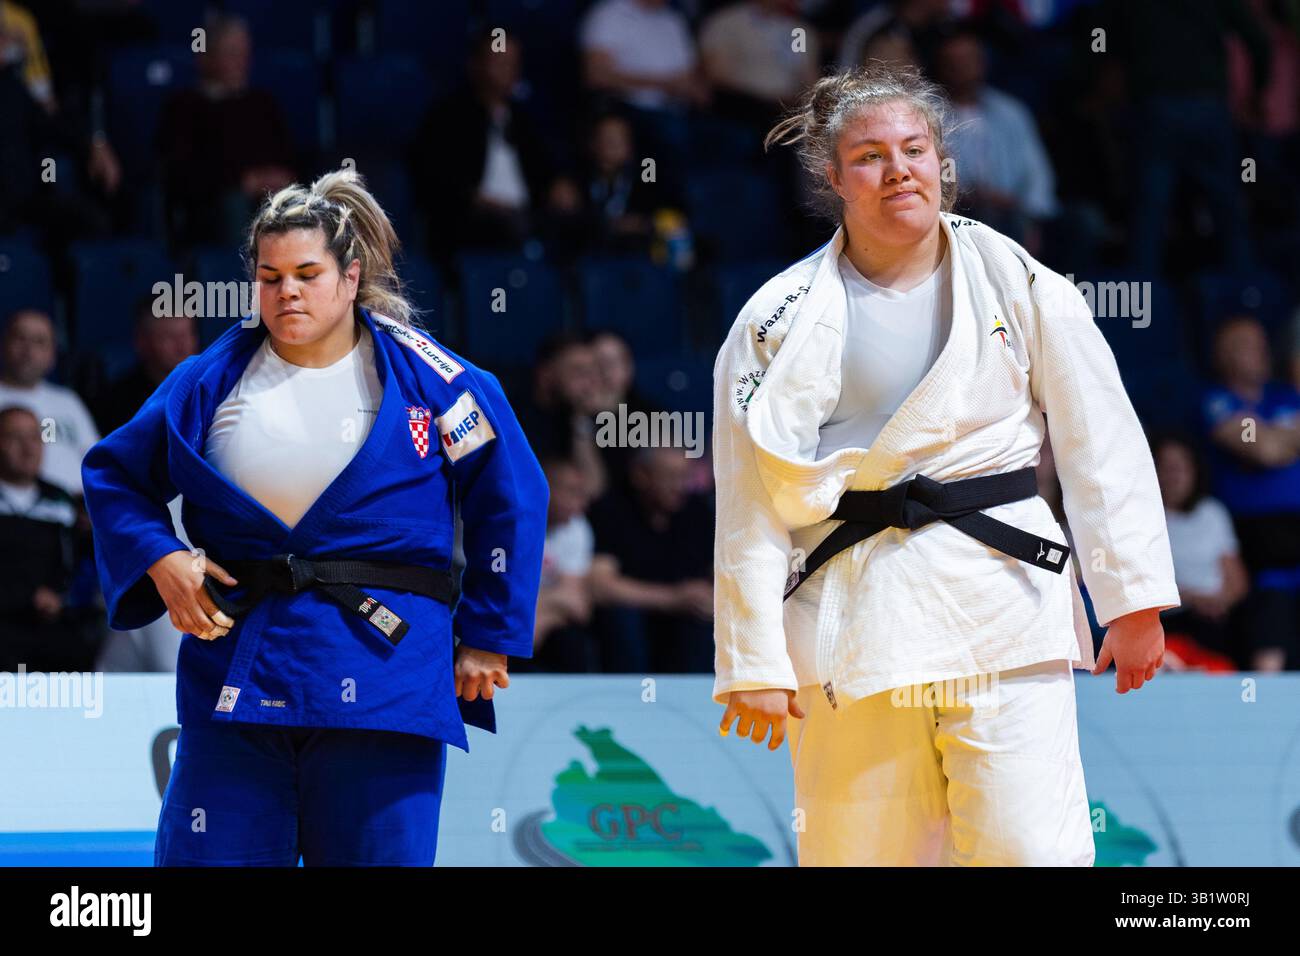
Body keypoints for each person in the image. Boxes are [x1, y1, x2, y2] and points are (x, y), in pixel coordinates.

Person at [712, 64, 1178, 866]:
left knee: (1034, 852)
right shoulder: (777, 316)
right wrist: (751, 656)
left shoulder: (1019, 279)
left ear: (941, 163)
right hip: (855, 613)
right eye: (869, 156)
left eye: (915, 149)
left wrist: (1130, 597)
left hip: (1000, 596)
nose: (898, 169)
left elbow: (1099, 437)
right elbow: (748, 496)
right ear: (833, 177)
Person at [80, 169, 548, 866]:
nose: (286, 292)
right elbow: (114, 474)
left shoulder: (436, 382)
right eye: (269, 278)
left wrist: (488, 633)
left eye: (306, 273)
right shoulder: (209, 379)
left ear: (350, 276)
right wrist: (161, 555)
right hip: (240, 663)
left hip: (384, 668)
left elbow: (511, 492)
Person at [0, 309, 101, 496]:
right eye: (20, 338)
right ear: (4, 344)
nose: (28, 350)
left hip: (74, 512)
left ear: (52, 355)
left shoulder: (68, 401)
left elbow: (97, 461)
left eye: (39, 342)